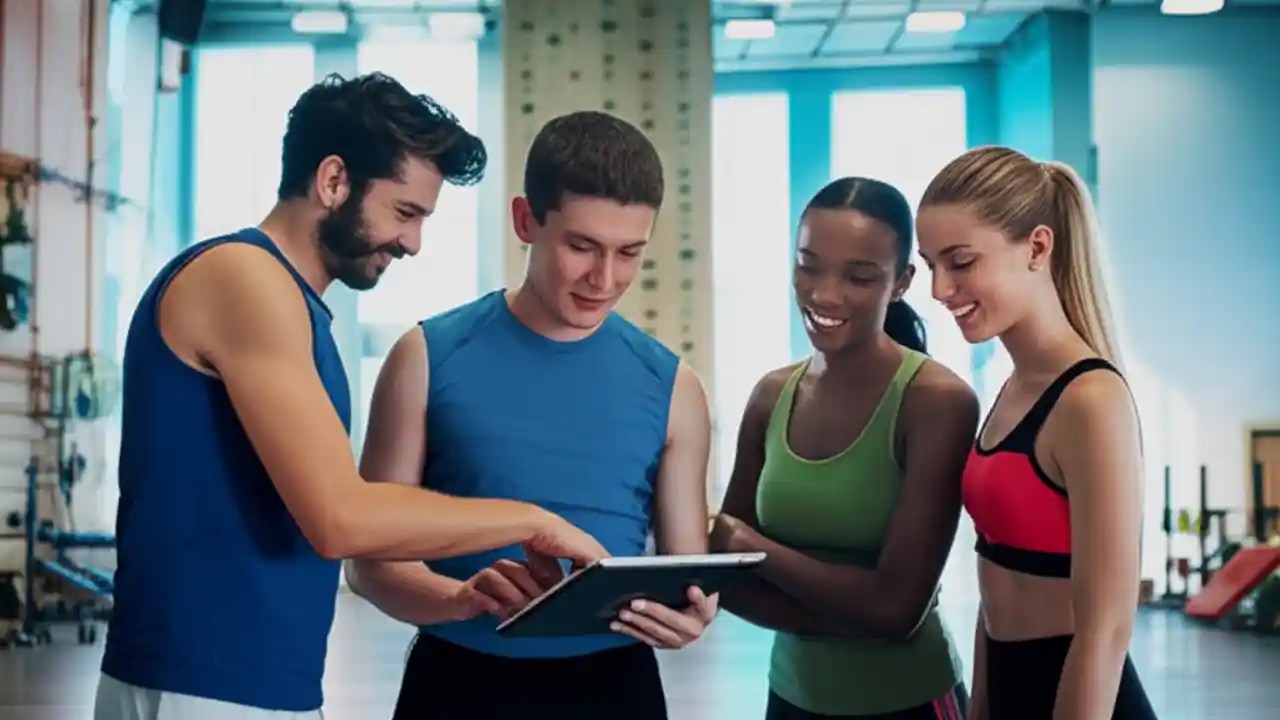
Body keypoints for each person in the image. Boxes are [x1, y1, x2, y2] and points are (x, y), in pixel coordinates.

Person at [94, 73, 609, 720]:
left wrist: (456, 600)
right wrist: (534, 521)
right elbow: (340, 518)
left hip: (258, 688)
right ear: (334, 181)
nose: (413, 243)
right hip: (200, 688)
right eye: (405, 213)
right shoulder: (244, 277)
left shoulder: (294, 307)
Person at [345, 110, 718, 720]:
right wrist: (460, 598)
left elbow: (686, 574)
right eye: (581, 246)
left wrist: (692, 614)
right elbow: (369, 562)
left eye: (629, 253)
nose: (605, 278)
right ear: (526, 220)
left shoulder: (675, 387)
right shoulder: (425, 357)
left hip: (615, 687)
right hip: (458, 684)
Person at [709, 177, 980, 719]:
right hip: (790, 699)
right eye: (808, 265)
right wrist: (860, 614)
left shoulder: (937, 402)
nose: (824, 294)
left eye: (859, 276)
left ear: (901, 282)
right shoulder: (771, 396)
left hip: (908, 702)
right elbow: (725, 579)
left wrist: (747, 543)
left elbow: (898, 610)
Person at [915, 146, 1157, 720]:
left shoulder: (1091, 400)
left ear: (1038, 247)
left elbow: (1106, 629)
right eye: (930, 265)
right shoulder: (1012, 389)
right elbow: (994, 579)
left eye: (961, 262)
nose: (940, 289)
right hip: (1010, 685)